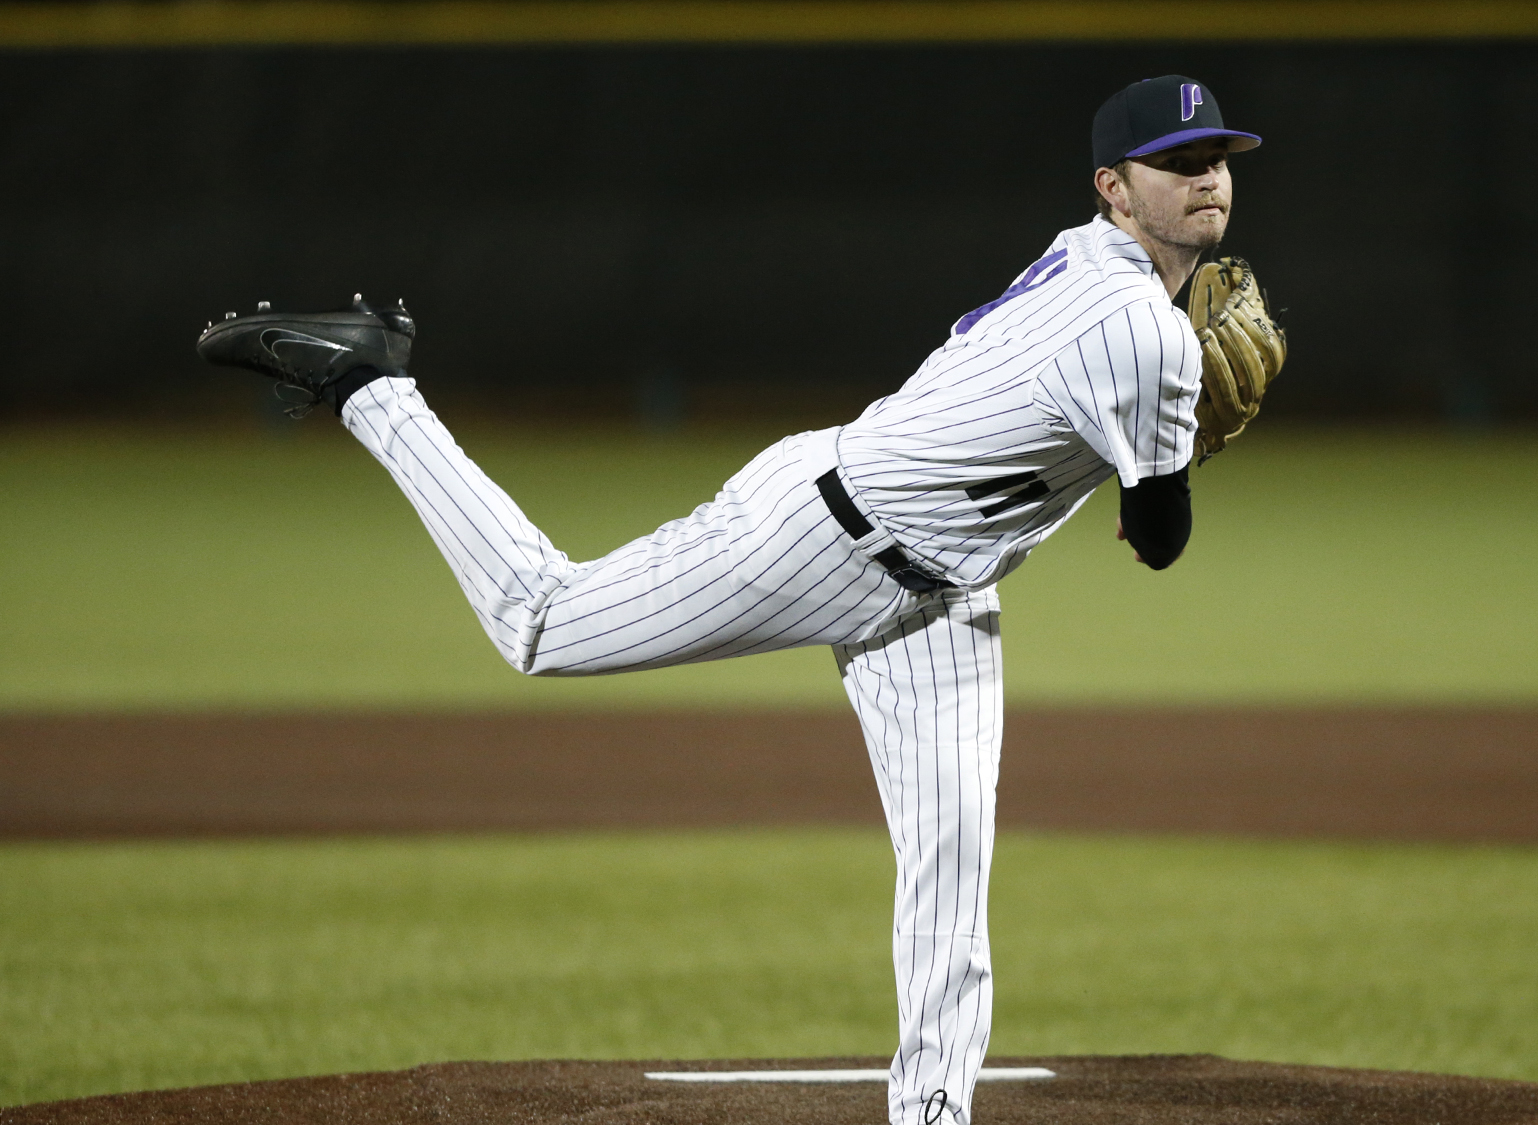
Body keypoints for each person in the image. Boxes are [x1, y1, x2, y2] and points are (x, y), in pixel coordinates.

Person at [197, 74, 1268, 1125]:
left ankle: (932, 1112)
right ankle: (372, 385)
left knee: (949, 868)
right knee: (539, 624)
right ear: (1112, 189)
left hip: (942, 594)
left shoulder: (1091, 260)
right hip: (818, 531)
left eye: (1214, 158)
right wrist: (1181, 444)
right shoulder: (1140, 329)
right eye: (1173, 164)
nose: (1204, 179)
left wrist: (1159, 441)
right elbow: (1158, 541)